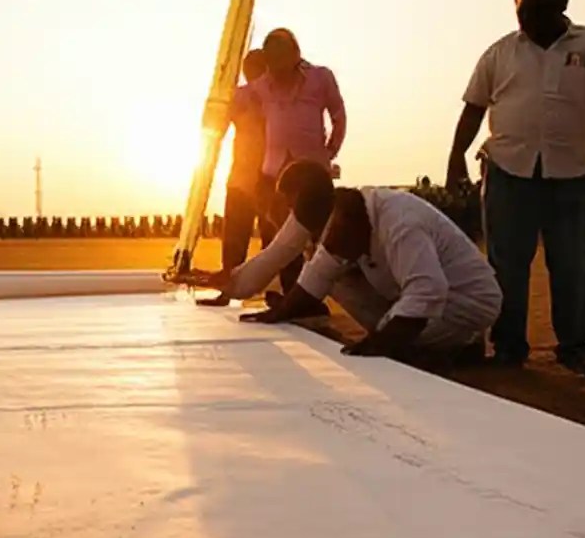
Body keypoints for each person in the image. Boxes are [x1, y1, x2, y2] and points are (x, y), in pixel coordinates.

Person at [446, 0, 585, 378]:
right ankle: (508, 345)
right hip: (508, 172)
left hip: (573, 175)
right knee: (505, 266)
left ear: (562, 4)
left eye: (536, 9)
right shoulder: (499, 53)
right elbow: (474, 108)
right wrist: (455, 157)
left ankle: (574, 348)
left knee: (571, 266)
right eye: (521, 10)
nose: (526, 19)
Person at [247, 185, 501, 365]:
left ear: (356, 227)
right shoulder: (345, 221)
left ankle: (459, 345)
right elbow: (317, 277)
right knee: (338, 279)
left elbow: (428, 290)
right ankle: (419, 343)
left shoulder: (401, 223)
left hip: (466, 300)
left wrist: (381, 344)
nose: (338, 252)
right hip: (412, 292)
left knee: (403, 343)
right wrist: (280, 313)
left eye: (342, 243)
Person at [233, 28, 347, 296]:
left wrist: (331, 150)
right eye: (272, 66)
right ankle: (289, 294)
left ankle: (318, 294)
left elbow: (339, 115)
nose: (277, 73)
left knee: (320, 235)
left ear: (295, 55)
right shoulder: (264, 83)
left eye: (281, 66)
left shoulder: (321, 77)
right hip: (276, 173)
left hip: (313, 171)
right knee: (282, 235)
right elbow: (240, 95)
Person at [206, 160, 338, 317]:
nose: (288, 210)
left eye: (289, 204)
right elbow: (273, 256)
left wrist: (286, 309)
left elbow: (317, 275)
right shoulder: (303, 218)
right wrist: (228, 282)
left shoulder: (339, 221)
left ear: (297, 197)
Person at [199, 49, 268, 307]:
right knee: (235, 241)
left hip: (263, 179)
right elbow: (218, 126)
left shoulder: (269, 97)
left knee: (269, 239)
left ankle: (275, 291)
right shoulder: (242, 96)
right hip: (243, 178)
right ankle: (229, 290)